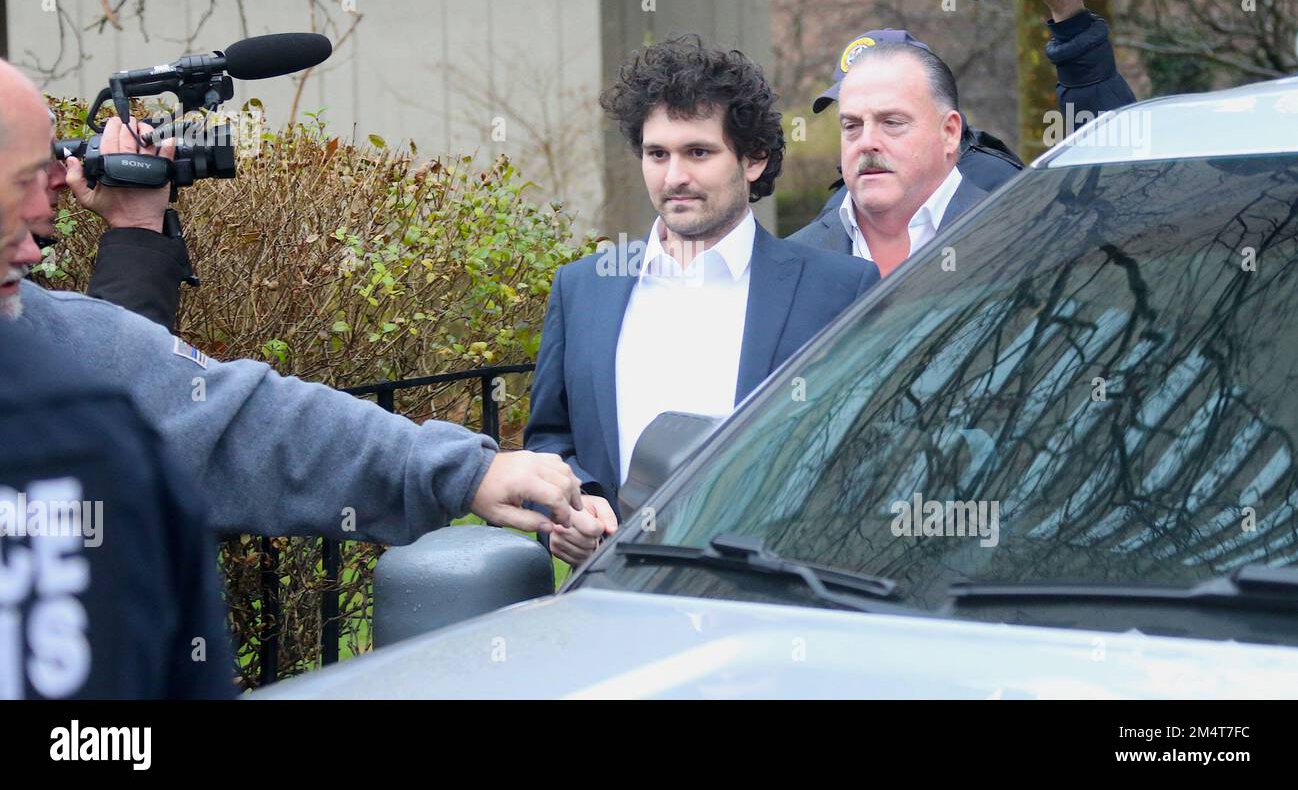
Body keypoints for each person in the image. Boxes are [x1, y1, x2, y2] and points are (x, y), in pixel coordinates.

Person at [0, 57, 595, 546]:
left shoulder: (30, 331)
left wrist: (461, 471)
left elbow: (173, 408)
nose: (43, 210)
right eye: (25, 175)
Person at [525, 36, 877, 566]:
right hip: (615, 598)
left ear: (754, 158)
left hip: (778, 604)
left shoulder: (839, 290)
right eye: (656, 154)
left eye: (698, 152)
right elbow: (550, 441)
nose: (674, 177)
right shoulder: (584, 288)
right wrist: (569, 511)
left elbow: (870, 456)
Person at [0, 79, 233, 699]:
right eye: (27, 176)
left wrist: (135, 228)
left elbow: (108, 393)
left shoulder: (70, 425)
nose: (33, 238)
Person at [789, 0, 1136, 270]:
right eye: (851, 124)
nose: (867, 141)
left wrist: (1072, 24)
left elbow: (1114, 186)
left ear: (949, 130)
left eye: (892, 121)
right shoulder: (817, 238)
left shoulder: (1003, 201)